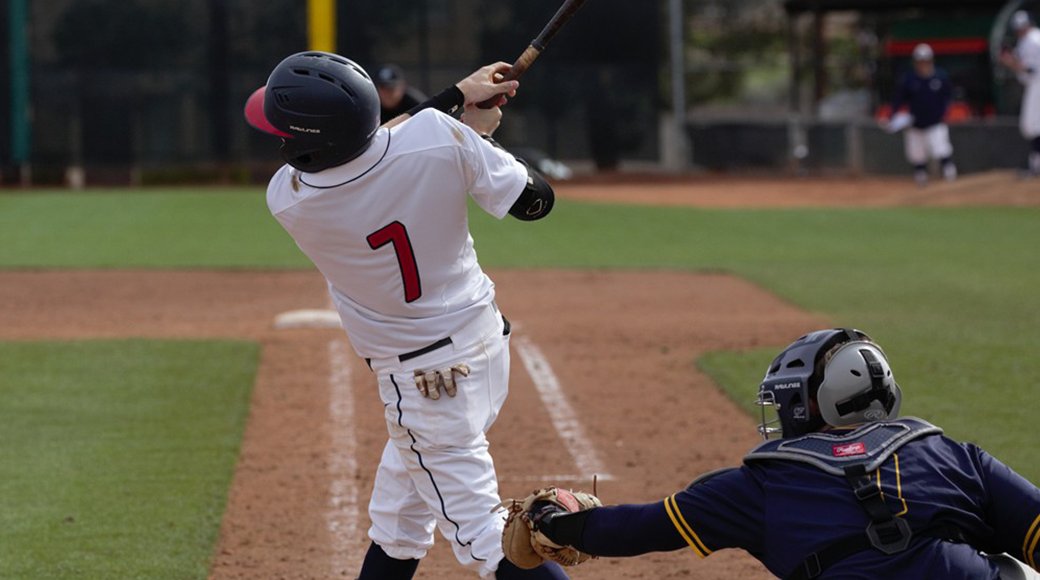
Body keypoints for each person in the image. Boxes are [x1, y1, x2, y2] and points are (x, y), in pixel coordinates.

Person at [244, 51, 562, 580]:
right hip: (482, 343)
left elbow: (375, 145)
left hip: (424, 384)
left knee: (491, 540)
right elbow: (536, 202)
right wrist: (475, 135)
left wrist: (460, 101)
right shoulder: (440, 136)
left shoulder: (291, 200)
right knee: (397, 524)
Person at [507, 328, 1040, 579]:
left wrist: (557, 523)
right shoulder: (952, 455)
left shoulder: (760, 487)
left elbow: (643, 528)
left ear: (817, 402)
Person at [886, 43, 957, 186]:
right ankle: (920, 174)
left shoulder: (940, 77)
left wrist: (944, 111)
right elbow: (898, 99)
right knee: (916, 152)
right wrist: (892, 115)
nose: (923, 64)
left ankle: (948, 170)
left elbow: (948, 96)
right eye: (920, 61)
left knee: (940, 148)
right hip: (916, 122)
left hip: (936, 121)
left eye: (926, 60)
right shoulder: (910, 79)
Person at [1001, 11, 1040, 177]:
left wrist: (1010, 62)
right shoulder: (1032, 38)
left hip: (1037, 83)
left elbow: (1031, 70)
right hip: (1035, 83)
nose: (1020, 31)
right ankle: (1036, 164)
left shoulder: (1032, 40)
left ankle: (1036, 165)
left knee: (1032, 125)